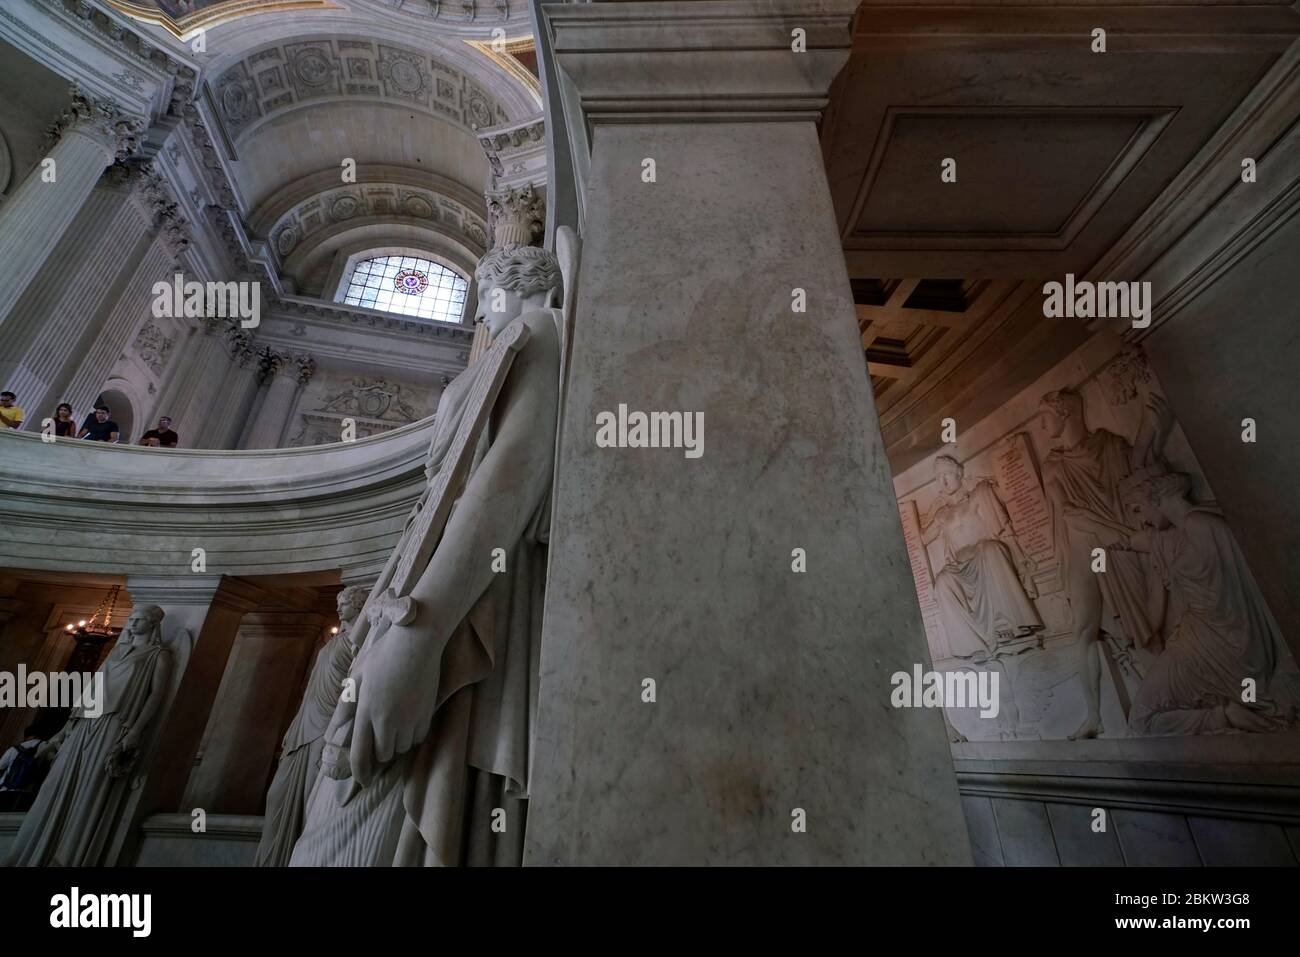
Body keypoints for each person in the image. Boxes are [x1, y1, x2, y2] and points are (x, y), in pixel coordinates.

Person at [291, 243, 562, 867]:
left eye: (483, 298)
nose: (478, 317)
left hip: (457, 597)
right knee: (338, 809)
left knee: (355, 815)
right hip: (418, 579)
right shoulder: (508, 343)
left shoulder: (537, 330)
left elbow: (507, 479)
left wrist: (423, 633)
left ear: (512, 285)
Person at [1085, 470, 1296, 736]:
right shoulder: (1180, 532)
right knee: (1141, 721)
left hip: (1216, 641)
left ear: (1155, 499)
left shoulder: (1202, 525)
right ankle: (1225, 716)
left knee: (1142, 720)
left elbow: (1251, 586)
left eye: (1139, 509)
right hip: (1203, 636)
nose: (1142, 519)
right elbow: (1138, 542)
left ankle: (1228, 717)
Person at [1038, 387, 1170, 739]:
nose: (1042, 424)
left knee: (1138, 623)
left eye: (1045, 416)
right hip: (1084, 549)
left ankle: (1167, 702)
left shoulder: (1110, 446)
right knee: (1083, 631)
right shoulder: (1053, 463)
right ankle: (1094, 716)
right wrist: (1125, 537)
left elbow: (1138, 473)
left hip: (1116, 548)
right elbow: (1068, 511)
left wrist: (1151, 428)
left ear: (1064, 412)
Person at [6, 605, 173, 866]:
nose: (133, 623)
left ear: (153, 625)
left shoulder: (158, 655)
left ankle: (66, 857)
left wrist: (137, 731)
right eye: (132, 618)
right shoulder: (116, 651)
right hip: (85, 721)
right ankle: (36, 850)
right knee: (56, 783)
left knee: (90, 785)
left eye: (141, 619)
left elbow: (157, 696)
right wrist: (62, 733)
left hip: (115, 724)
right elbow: (91, 690)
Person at [256, 585, 368, 866]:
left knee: (314, 801)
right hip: (304, 727)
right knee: (276, 795)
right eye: (339, 603)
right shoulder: (333, 641)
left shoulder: (361, 641)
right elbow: (310, 688)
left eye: (345, 603)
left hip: (329, 726)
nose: (339, 608)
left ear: (359, 605)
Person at [920, 454, 1042, 660]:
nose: (943, 480)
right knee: (942, 581)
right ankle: (970, 644)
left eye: (947, 474)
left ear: (959, 473)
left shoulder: (978, 494)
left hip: (983, 554)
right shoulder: (942, 514)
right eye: (938, 477)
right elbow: (923, 538)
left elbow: (1009, 493)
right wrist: (931, 509)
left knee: (990, 549)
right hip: (960, 566)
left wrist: (986, 480)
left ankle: (1007, 625)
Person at [0, 727, 51, 812]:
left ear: (27, 736)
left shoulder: (14, 749)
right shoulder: (46, 746)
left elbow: (1, 766)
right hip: (26, 794)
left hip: (5, 791)